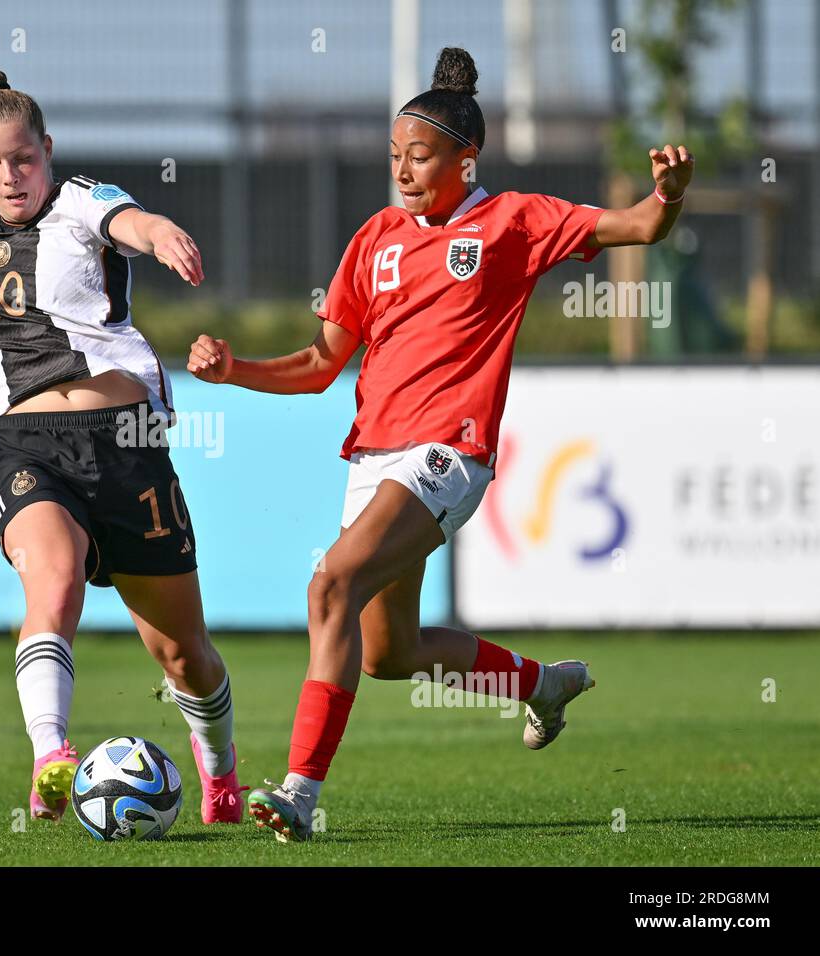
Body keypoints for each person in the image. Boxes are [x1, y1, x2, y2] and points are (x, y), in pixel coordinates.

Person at [188, 48, 695, 842]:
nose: (403, 171)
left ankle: (298, 795)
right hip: (372, 455)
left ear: (467, 158)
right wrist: (233, 372)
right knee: (389, 653)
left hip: (448, 452)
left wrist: (665, 197)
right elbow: (323, 363)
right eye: (395, 157)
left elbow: (637, 226)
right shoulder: (377, 238)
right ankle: (543, 685)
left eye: (419, 157)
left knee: (330, 588)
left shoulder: (514, 221)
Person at [0, 69, 247, 825]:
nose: (9, 177)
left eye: (22, 158)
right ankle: (51, 755)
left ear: (46, 150)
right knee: (52, 583)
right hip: (24, 440)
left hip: (124, 440)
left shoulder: (82, 200)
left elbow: (132, 226)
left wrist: (161, 234)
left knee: (181, 650)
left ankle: (220, 774)